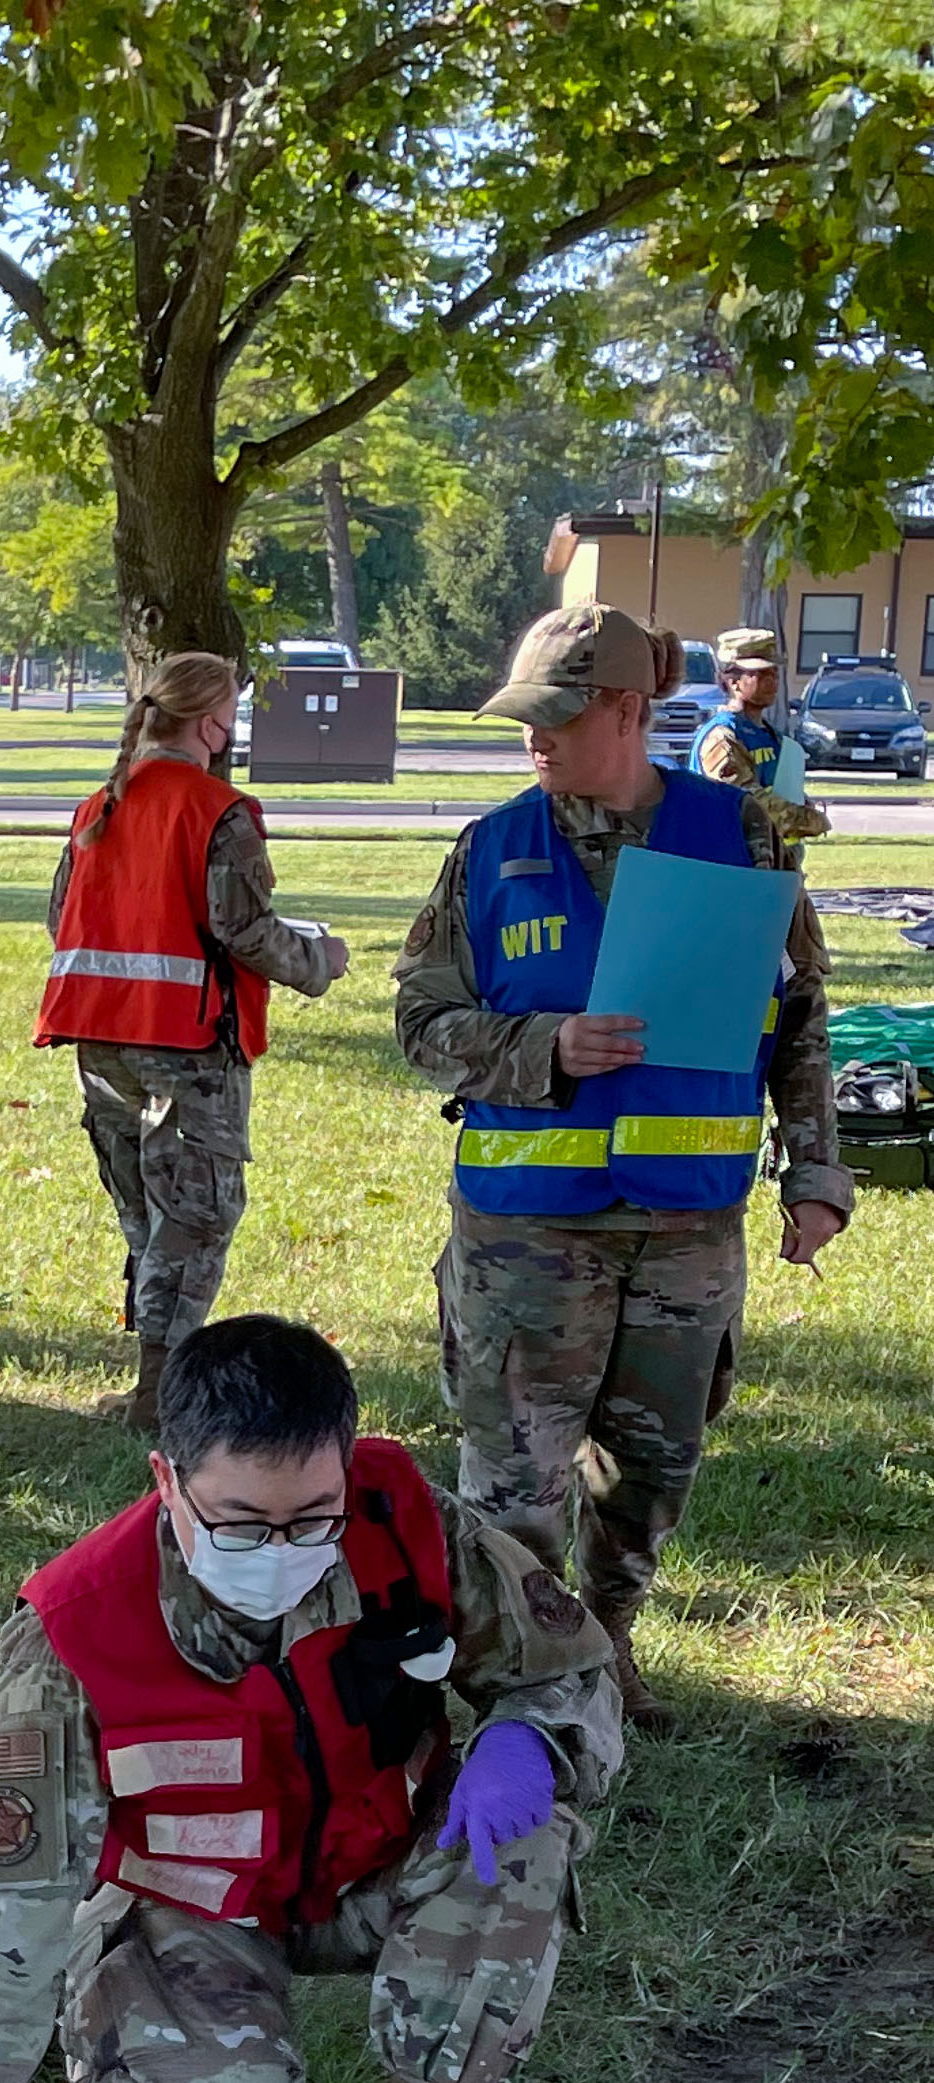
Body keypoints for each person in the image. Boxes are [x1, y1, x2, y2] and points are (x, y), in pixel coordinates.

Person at [0, 1317, 621, 2083]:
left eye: (308, 1519)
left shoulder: (399, 1514)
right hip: (189, 1903)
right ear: (166, 1477)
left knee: (524, 1846)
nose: (277, 1551)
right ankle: (111, 2014)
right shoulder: (76, 1629)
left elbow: (564, 1668)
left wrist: (529, 1738)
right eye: (238, 1522)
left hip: (377, 1864)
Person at [393, 602, 851, 1724]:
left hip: (686, 1227)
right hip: (526, 1228)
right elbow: (417, 1018)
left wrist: (813, 1171)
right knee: (514, 1478)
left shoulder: (742, 834)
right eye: (521, 722)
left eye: (554, 719)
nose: (531, 743)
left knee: (649, 1476)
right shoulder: (492, 849)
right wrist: (537, 1045)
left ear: (629, 710)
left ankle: (602, 1642)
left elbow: (796, 1016)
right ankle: (517, 1677)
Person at [36, 651, 346, 1433]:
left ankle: (151, 1382)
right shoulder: (217, 808)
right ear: (213, 720)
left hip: (100, 1037)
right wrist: (320, 960)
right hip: (189, 1046)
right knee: (195, 1217)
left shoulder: (97, 807)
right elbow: (242, 928)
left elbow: (62, 919)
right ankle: (161, 1398)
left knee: (145, 1211)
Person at [690, 626, 830, 844]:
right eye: (760, 674)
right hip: (728, 858)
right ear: (732, 681)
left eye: (774, 672)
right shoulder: (722, 737)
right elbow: (742, 802)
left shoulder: (770, 735)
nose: (772, 680)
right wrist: (804, 819)